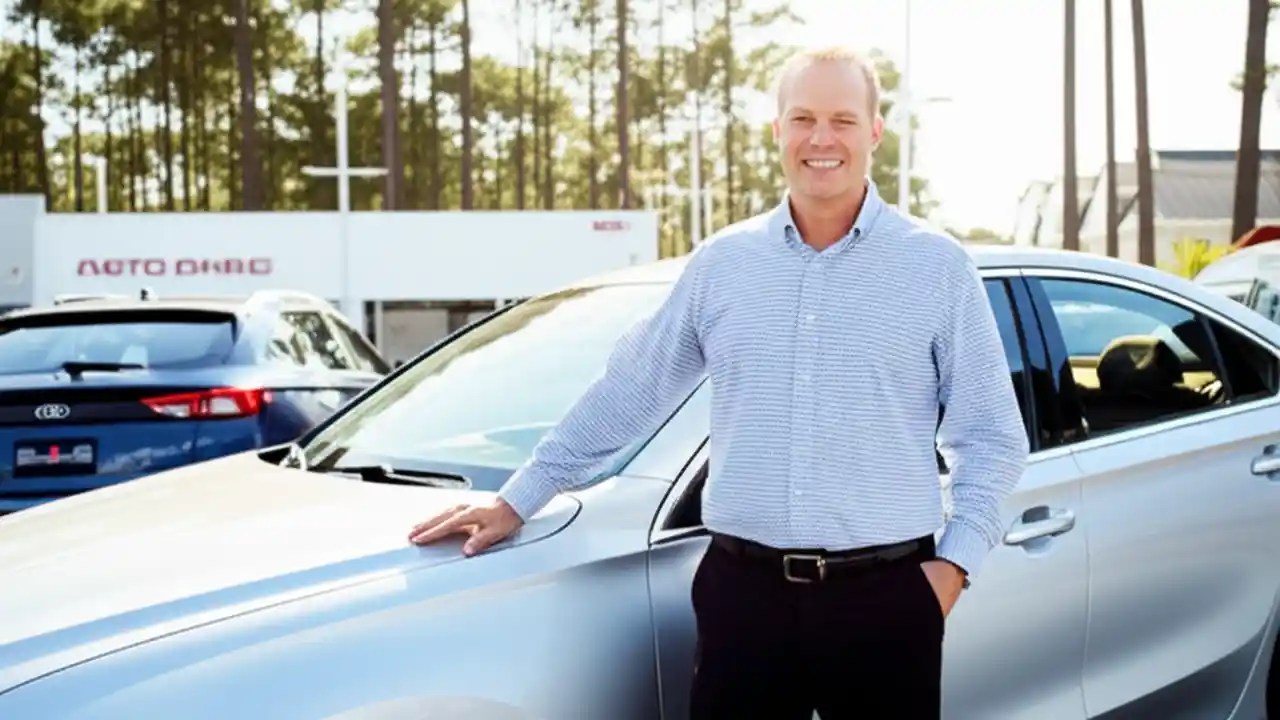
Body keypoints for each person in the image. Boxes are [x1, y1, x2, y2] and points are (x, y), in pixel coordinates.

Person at [408, 45, 1028, 719]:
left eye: (843, 120)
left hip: (884, 601)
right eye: (803, 118)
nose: (821, 139)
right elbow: (632, 389)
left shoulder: (935, 269)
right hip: (744, 600)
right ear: (777, 131)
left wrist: (952, 569)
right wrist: (519, 497)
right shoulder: (725, 264)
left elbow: (992, 437)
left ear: (876, 131)